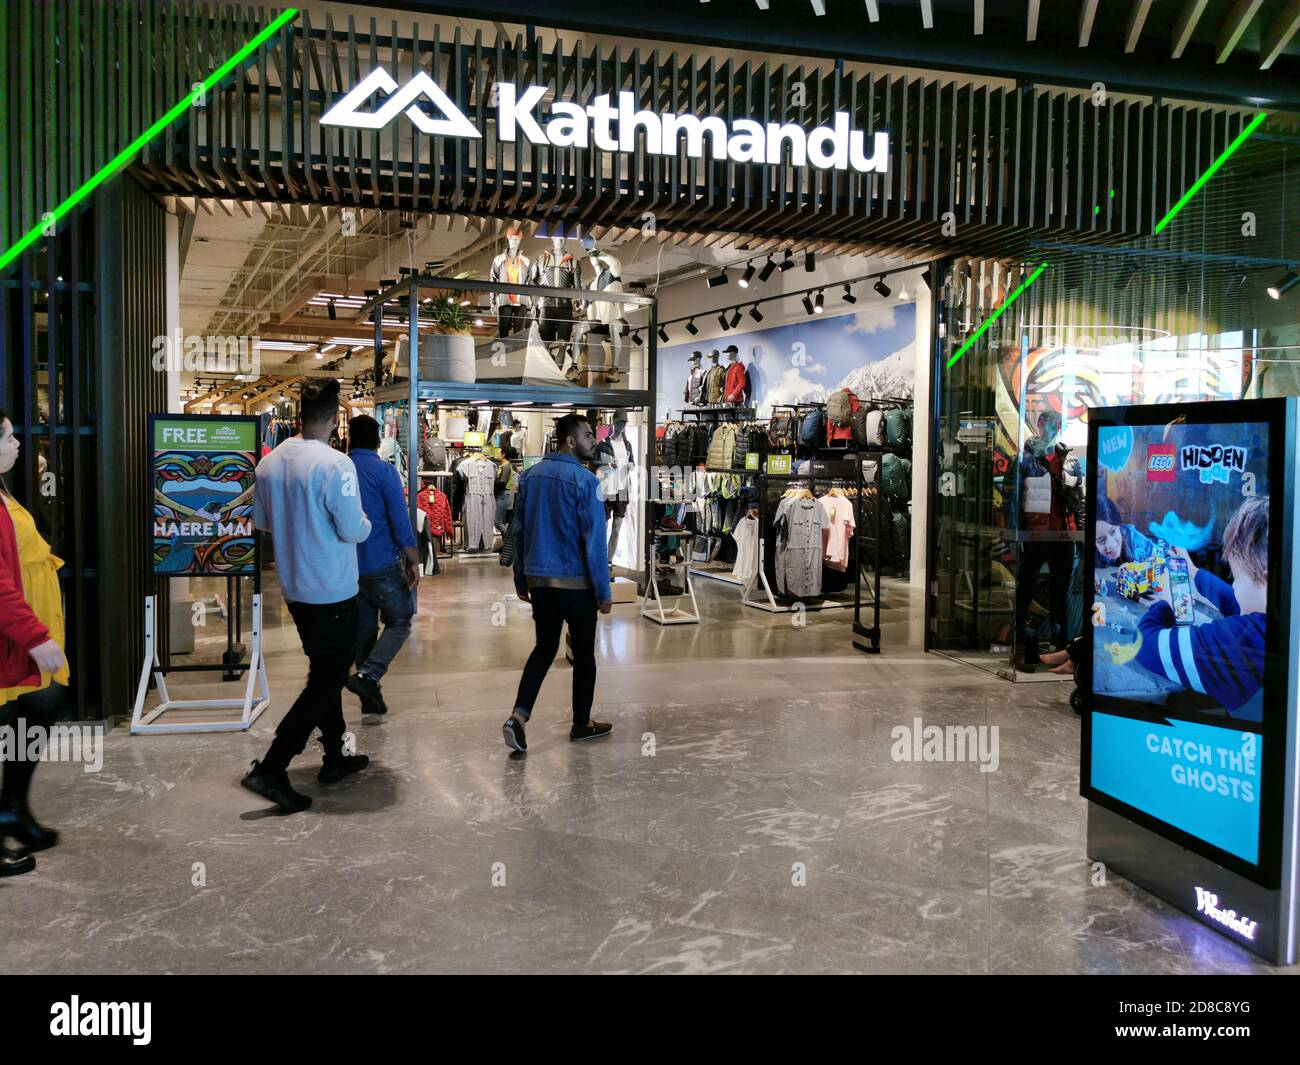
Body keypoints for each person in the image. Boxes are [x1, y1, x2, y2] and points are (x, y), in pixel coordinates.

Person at [244, 380, 372, 812]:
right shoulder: (337, 465)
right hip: (333, 587)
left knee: (326, 669)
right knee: (328, 678)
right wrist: (368, 526)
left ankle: (335, 754)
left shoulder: (268, 464)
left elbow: (262, 524)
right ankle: (273, 766)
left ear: (299, 414)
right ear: (336, 417)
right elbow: (353, 528)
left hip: (296, 588)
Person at [502, 414, 613, 752]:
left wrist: (520, 576)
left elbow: (517, 531)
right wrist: (604, 590)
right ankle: (581, 725)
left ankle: (518, 717)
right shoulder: (587, 482)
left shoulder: (530, 477)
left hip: (540, 581)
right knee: (583, 655)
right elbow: (594, 541)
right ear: (569, 441)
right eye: (588, 435)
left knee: (544, 648)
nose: (593, 440)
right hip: (577, 585)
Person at [0, 411, 69, 877]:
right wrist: (34, 636)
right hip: (17, 635)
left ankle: (13, 810)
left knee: (43, 703)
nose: (18, 442)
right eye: (7, 436)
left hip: (29, 634)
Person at [1135, 498, 1268, 721]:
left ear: (1265, 579)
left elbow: (1146, 644)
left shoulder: (1243, 640)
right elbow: (1239, 605)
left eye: (1237, 578)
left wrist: (1167, 602)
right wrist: (1194, 573)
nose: (1234, 585)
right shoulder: (1269, 624)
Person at [345, 415, 420, 717]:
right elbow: (398, 519)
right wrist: (413, 557)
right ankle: (368, 675)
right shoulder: (384, 471)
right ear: (378, 441)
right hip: (381, 562)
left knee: (364, 631)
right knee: (400, 620)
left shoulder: (338, 469)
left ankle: (370, 698)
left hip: (349, 566)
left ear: (348, 438)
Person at [1093, 495, 1157, 568]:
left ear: (1119, 524)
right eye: (1101, 540)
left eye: (1113, 532)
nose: (1110, 545)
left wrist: (1133, 568)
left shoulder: (1134, 539)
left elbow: (1163, 557)